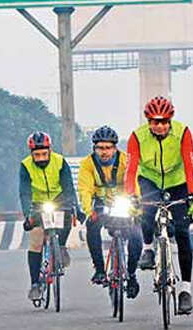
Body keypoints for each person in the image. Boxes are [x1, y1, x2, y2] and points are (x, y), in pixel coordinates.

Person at [125, 96, 193, 315]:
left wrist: (192, 193)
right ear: (148, 121)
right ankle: (148, 249)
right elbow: (130, 170)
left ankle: (185, 291)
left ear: (170, 120)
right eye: (154, 122)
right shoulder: (136, 137)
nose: (159, 126)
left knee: (182, 231)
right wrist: (131, 195)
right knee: (146, 210)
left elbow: (190, 163)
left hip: (178, 182)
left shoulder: (183, 132)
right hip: (149, 179)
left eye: (164, 121)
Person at [78, 125, 143, 299]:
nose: (104, 152)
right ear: (94, 148)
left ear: (115, 148)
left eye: (108, 148)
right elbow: (84, 190)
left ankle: (131, 275)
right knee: (92, 226)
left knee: (137, 236)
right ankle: (99, 269)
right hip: (102, 205)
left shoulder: (125, 161)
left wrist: (136, 201)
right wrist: (88, 210)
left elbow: (133, 182)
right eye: (100, 148)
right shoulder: (87, 164)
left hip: (125, 203)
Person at [19, 131, 82, 302]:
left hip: (59, 200)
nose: (40, 158)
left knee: (68, 217)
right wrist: (28, 216)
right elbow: (24, 193)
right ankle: (35, 284)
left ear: (50, 150)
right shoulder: (25, 166)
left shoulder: (60, 162)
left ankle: (60, 246)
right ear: (31, 153)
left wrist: (74, 207)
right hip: (38, 204)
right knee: (36, 240)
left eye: (43, 154)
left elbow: (69, 187)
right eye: (36, 155)